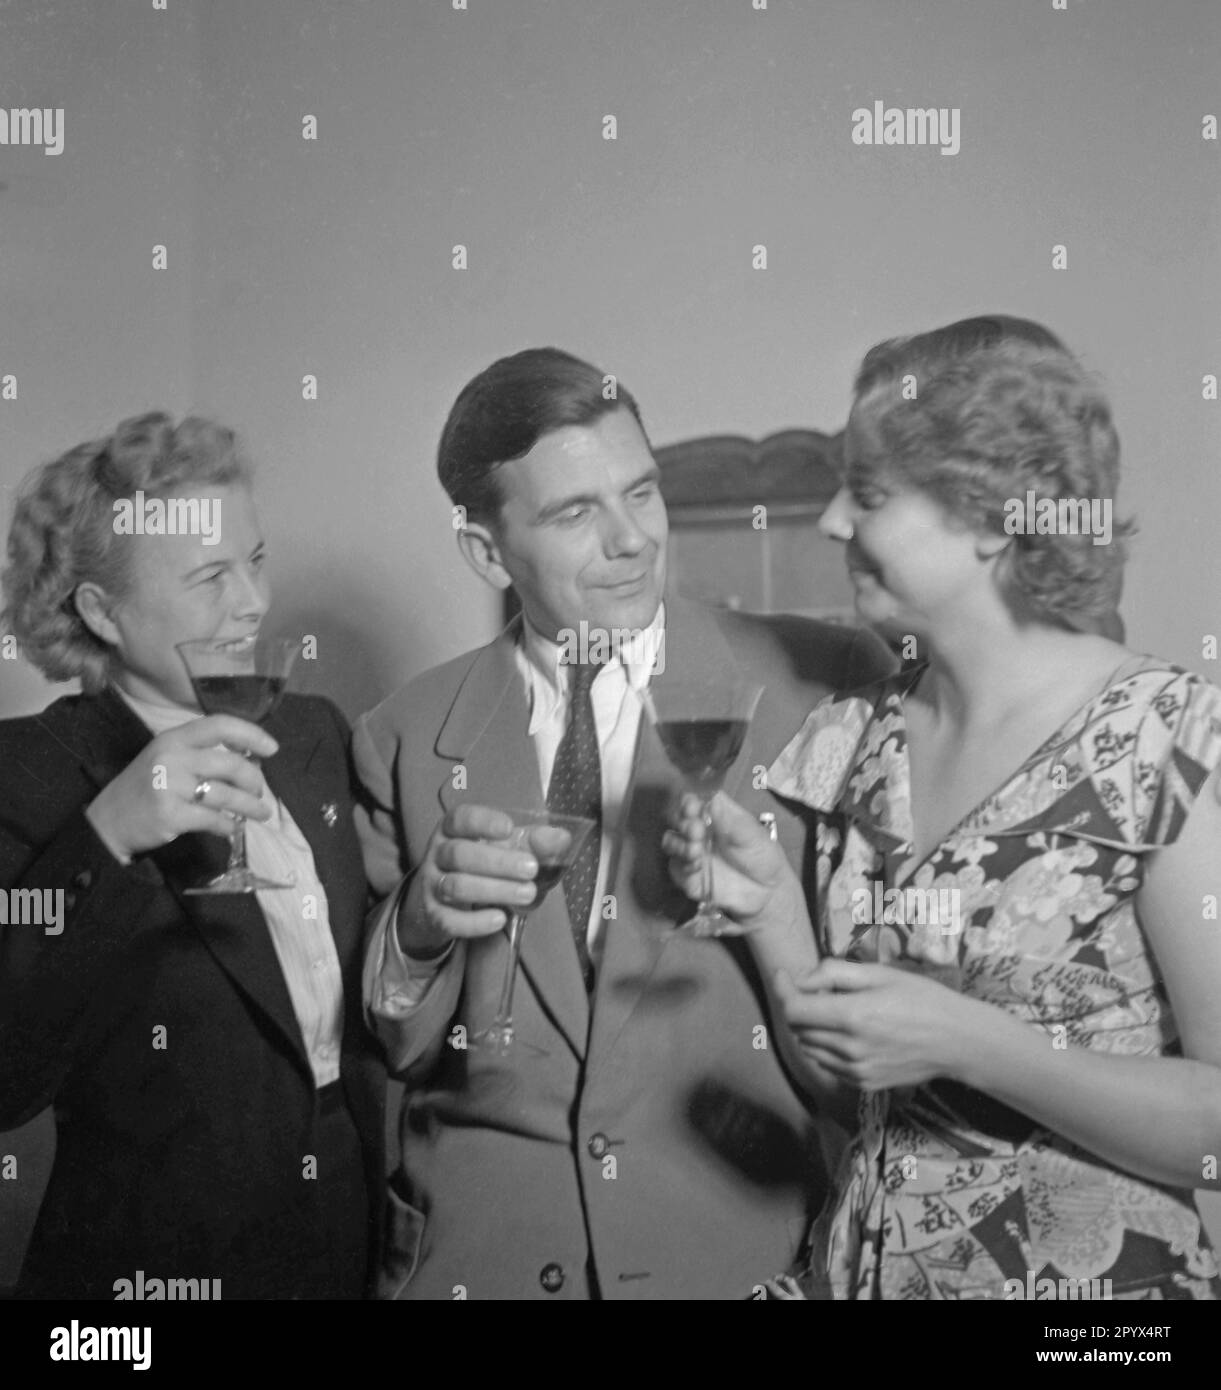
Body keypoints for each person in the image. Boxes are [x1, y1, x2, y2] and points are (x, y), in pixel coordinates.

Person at [665, 321, 1221, 1300]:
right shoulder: (856, 740)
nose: (833, 520)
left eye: (869, 492)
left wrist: (978, 1042)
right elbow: (865, 1088)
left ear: (997, 518)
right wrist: (772, 918)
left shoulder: (1172, 739)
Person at [351, 346, 895, 1299]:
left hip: (739, 1265)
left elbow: (882, 1057)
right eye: (574, 513)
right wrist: (417, 928)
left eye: (640, 494)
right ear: (486, 550)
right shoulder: (400, 735)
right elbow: (396, 1050)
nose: (632, 540)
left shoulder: (827, 686)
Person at [0, 413, 384, 1299]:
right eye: (210, 575)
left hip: (341, 1254)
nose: (251, 602)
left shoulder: (313, 735)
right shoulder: (29, 775)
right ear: (101, 610)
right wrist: (108, 832)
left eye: (255, 560)